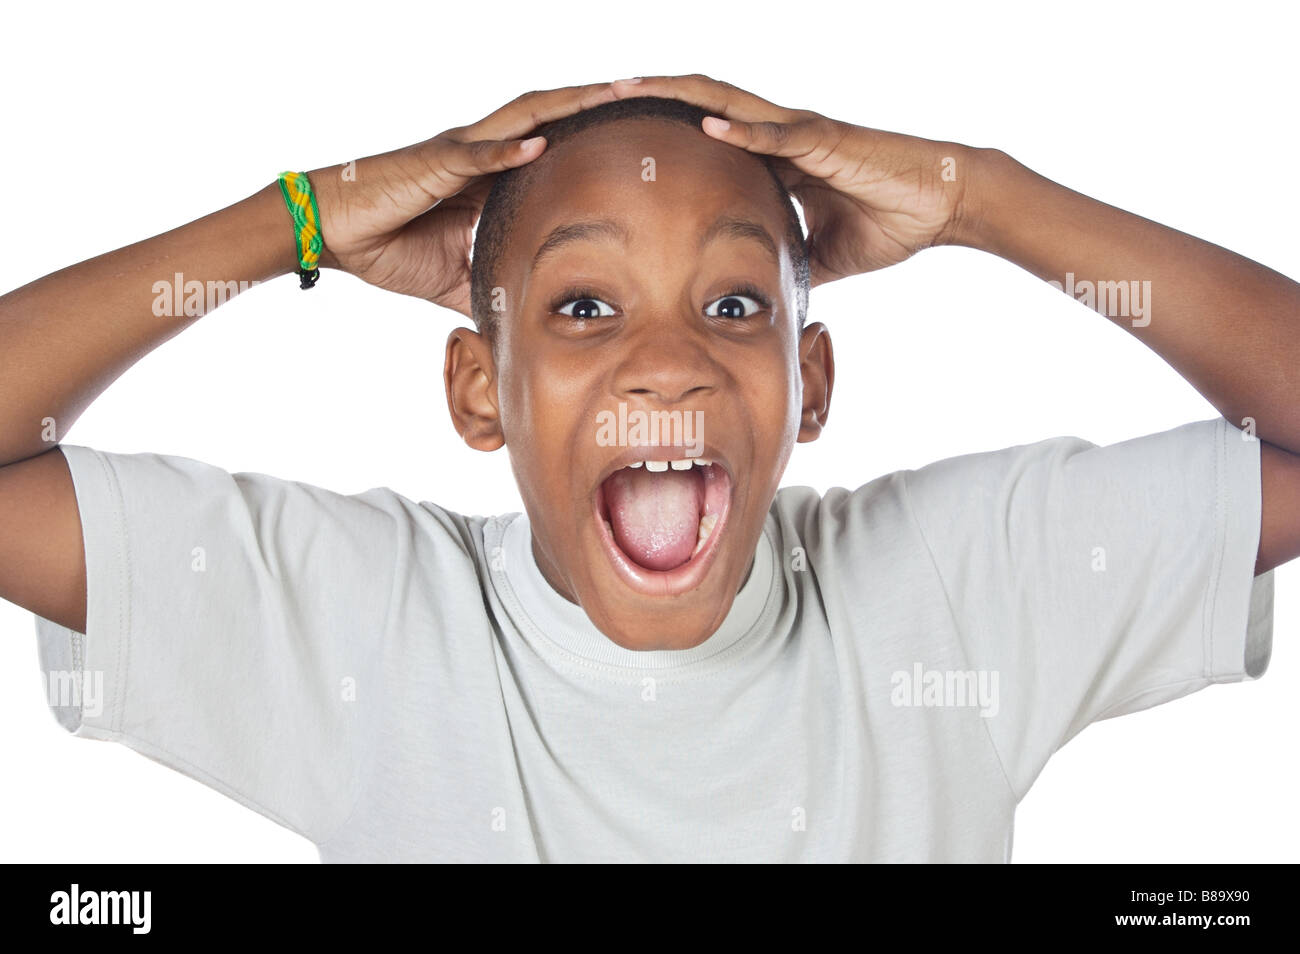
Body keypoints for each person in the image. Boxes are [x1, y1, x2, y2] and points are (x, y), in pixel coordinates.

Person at [1, 76, 1295, 862]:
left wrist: (980, 195)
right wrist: (292, 216)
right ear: (477, 393)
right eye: (580, 309)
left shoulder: (962, 589)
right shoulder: (367, 623)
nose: (665, 364)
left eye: (735, 307)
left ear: (815, 384)